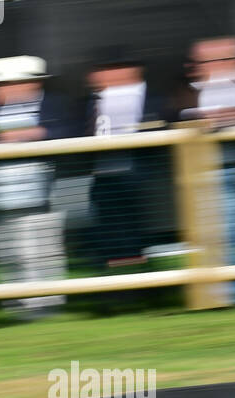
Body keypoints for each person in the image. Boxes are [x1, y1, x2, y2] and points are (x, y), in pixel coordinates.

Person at [0, 55, 73, 320]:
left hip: (42, 197)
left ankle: (45, 310)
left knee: (40, 252)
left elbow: (71, 132)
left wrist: (30, 135)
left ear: (24, 84)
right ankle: (19, 309)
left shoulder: (55, 106)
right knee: (9, 253)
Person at [170, 36, 235, 304]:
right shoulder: (183, 87)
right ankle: (221, 295)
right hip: (199, 171)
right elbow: (173, 114)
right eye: (200, 61)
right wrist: (202, 118)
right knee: (213, 237)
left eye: (213, 60)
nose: (202, 66)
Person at [82, 56, 167, 269]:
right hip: (104, 179)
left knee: (136, 232)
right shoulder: (90, 102)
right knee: (111, 232)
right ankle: (120, 288)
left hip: (142, 179)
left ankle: (140, 283)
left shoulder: (155, 98)